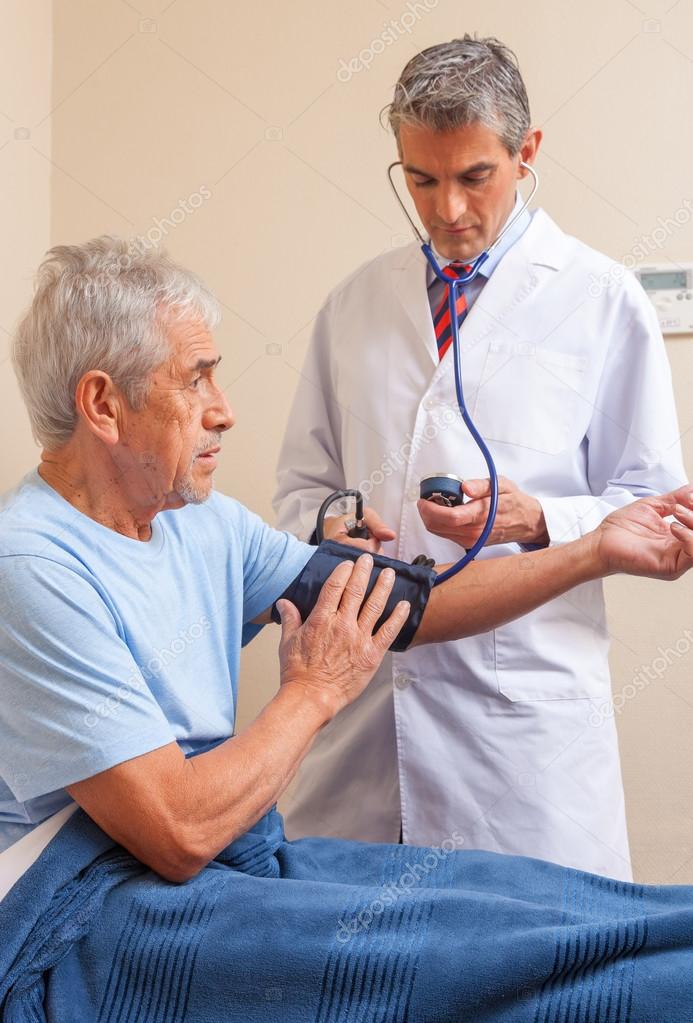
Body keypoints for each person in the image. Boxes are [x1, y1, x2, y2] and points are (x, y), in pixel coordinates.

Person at [2, 238, 693, 1022]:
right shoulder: (32, 563)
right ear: (102, 405)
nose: (225, 408)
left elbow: (405, 605)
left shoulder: (200, 523)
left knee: (523, 898)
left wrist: (591, 548)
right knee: (493, 959)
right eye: (196, 379)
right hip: (89, 905)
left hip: (219, 864)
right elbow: (177, 830)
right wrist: (313, 689)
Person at [273, 35, 686, 880]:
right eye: (421, 180)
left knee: (541, 986)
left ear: (525, 154)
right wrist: (329, 524)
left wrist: (537, 517)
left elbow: (661, 506)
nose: (446, 210)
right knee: (357, 988)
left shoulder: (601, 299)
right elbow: (300, 488)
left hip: (523, 738)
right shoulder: (352, 304)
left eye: (473, 177)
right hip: (365, 726)